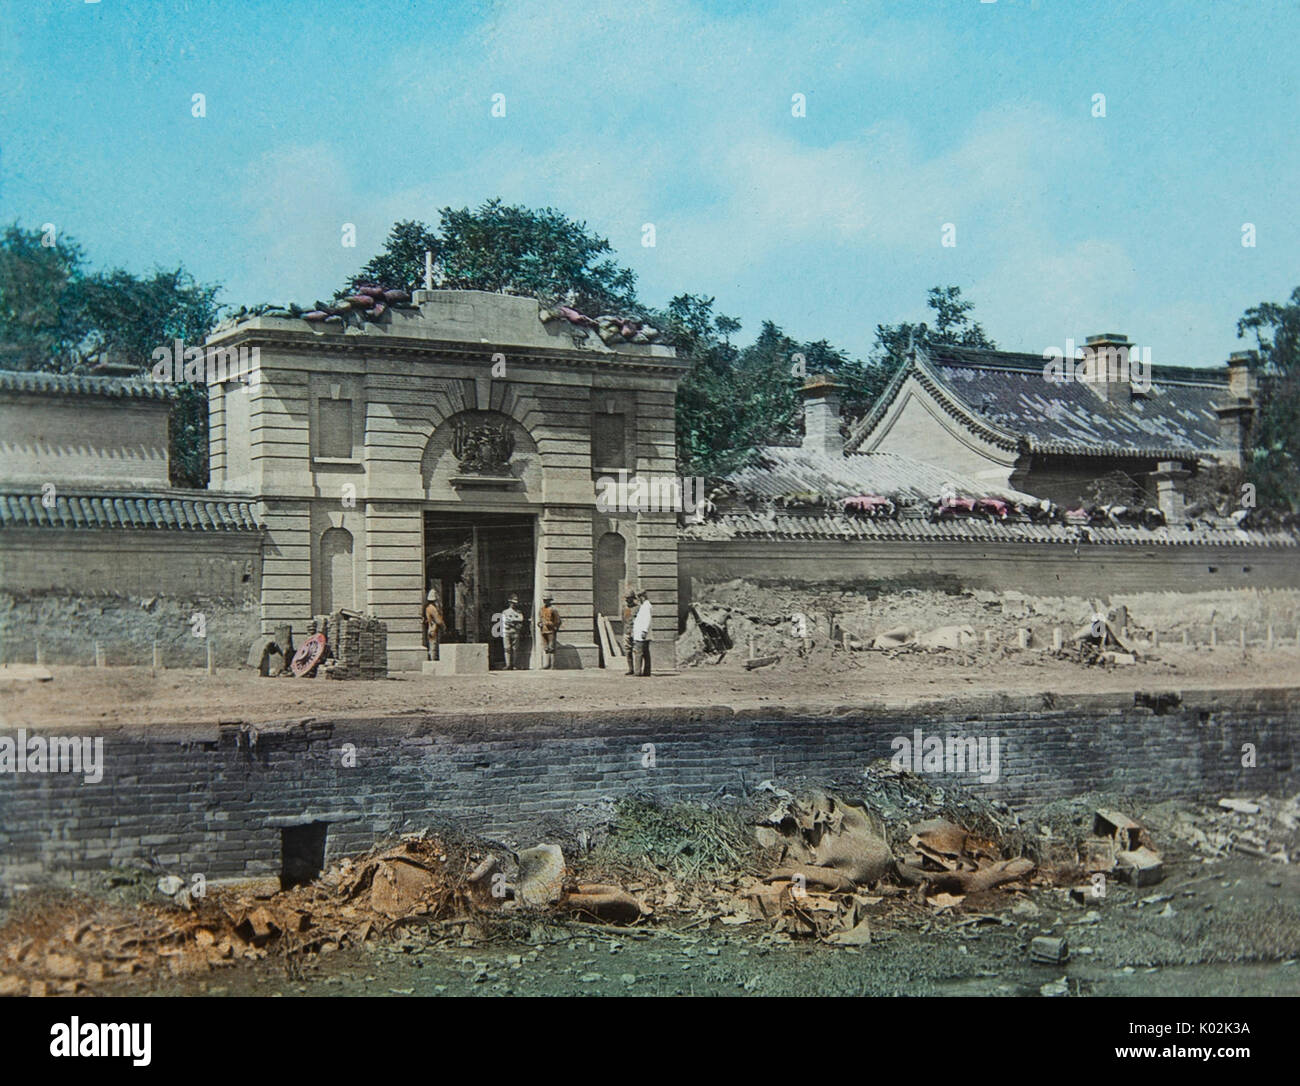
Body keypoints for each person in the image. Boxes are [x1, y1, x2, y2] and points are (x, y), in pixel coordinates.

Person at [631, 590, 653, 677]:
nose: (638, 600)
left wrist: (644, 631)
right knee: (645, 653)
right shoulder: (645, 606)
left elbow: (647, 619)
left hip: (642, 635)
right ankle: (646, 672)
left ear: (642, 597)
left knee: (638, 653)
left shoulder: (646, 606)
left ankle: (637, 672)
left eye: (639, 598)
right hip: (641, 634)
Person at [501, 593, 525, 670]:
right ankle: (508, 664)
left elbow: (521, 619)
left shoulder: (519, 612)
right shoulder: (505, 612)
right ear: (509, 602)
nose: (513, 604)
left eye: (515, 603)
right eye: (512, 603)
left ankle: (514, 665)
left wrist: (512, 621)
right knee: (507, 648)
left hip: (515, 632)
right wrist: (515, 621)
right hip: (506, 631)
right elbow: (505, 621)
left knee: (515, 648)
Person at [537, 593, 561, 669]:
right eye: (544, 600)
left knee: (551, 648)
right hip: (543, 631)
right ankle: (546, 664)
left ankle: (552, 665)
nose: (545, 601)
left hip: (551, 631)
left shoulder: (553, 609)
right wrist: (539, 624)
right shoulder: (541, 609)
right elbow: (540, 619)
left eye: (547, 600)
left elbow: (558, 621)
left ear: (550, 601)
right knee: (546, 648)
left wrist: (553, 625)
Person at [423, 589, 445, 662]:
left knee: (432, 646)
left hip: (430, 629)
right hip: (434, 629)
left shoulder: (427, 608)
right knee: (434, 648)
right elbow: (438, 620)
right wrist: (443, 626)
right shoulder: (432, 608)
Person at [620, 589, 638, 675]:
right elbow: (623, 620)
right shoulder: (625, 608)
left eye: (629, 598)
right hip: (626, 632)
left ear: (633, 598)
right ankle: (631, 669)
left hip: (635, 632)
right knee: (628, 651)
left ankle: (638, 669)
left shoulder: (637, 608)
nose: (627, 600)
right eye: (626, 598)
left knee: (637, 651)